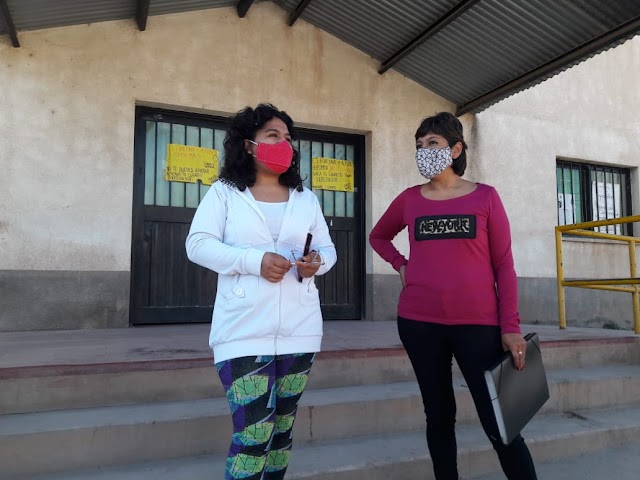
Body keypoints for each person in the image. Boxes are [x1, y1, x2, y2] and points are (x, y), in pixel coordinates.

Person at [369, 112, 537, 480]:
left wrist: (510, 327)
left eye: (433, 143)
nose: (424, 151)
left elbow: (504, 265)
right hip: (419, 323)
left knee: (499, 419)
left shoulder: (486, 197)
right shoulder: (409, 199)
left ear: (456, 148)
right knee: (439, 415)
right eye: (419, 146)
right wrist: (401, 265)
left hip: (478, 325)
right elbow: (378, 236)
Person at [186, 103, 337, 480]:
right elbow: (198, 244)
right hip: (242, 330)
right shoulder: (224, 193)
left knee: (282, 432)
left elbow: (328, 250)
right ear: (249, 144)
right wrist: (254, 261)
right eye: (273, 135)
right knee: (254, 433)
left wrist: (316, 261)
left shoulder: (305, 197)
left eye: (288, 138)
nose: (283, 143)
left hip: (300, 330)